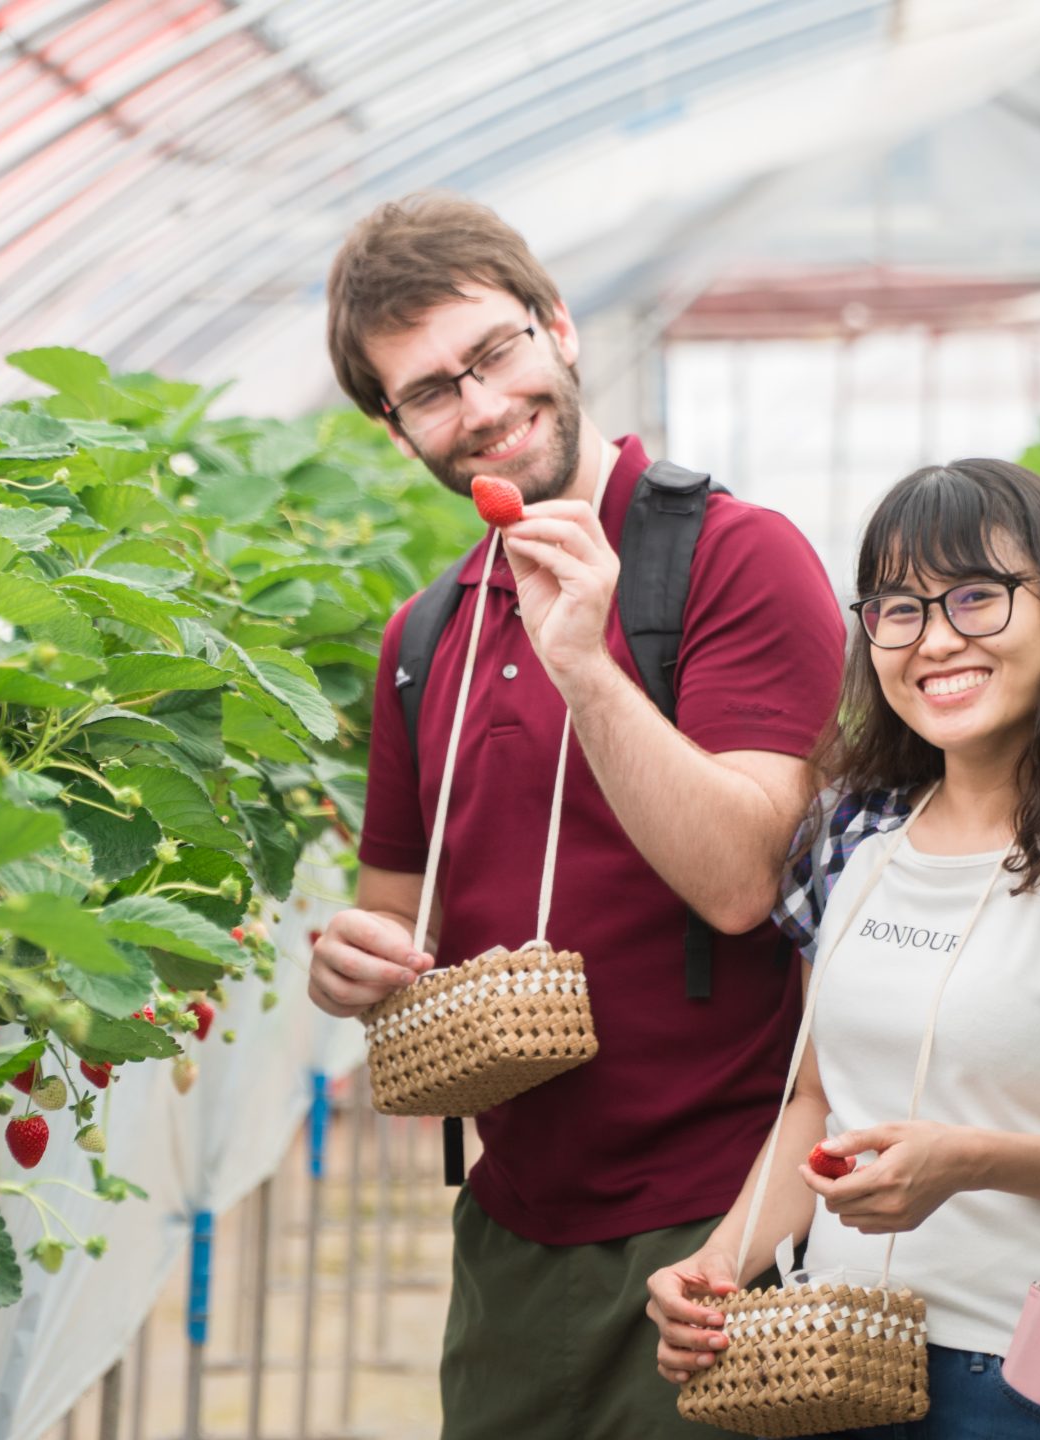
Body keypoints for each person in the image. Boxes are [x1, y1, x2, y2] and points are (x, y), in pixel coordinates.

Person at [307, 193, 847, 1440]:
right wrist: (352, 965)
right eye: (430, 391)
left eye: (493, 353)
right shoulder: (424, 633)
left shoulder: (733, 559)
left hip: (712, 1240)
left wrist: (589, 667)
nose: (482, 406)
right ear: (400, 435)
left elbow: (746, 880)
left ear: (559, 329)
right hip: (510, 1233)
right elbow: (395, 921)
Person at [645, 458, 1040, 1440]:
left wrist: (974, 1161)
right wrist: (723, 1261)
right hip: (838, 1363)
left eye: (977, 597)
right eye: (898, 610)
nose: (936, 640)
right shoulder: (849, 837)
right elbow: (818, 1101)